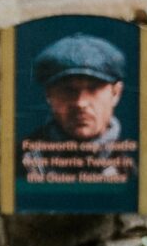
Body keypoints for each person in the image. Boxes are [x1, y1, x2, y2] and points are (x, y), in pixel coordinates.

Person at [20, 32, 129, 162]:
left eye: (93, 89)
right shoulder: (17, 161)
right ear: (48, 95)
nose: (80, 103)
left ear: (116, 93)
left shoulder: (141, 159)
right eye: (68, 90)